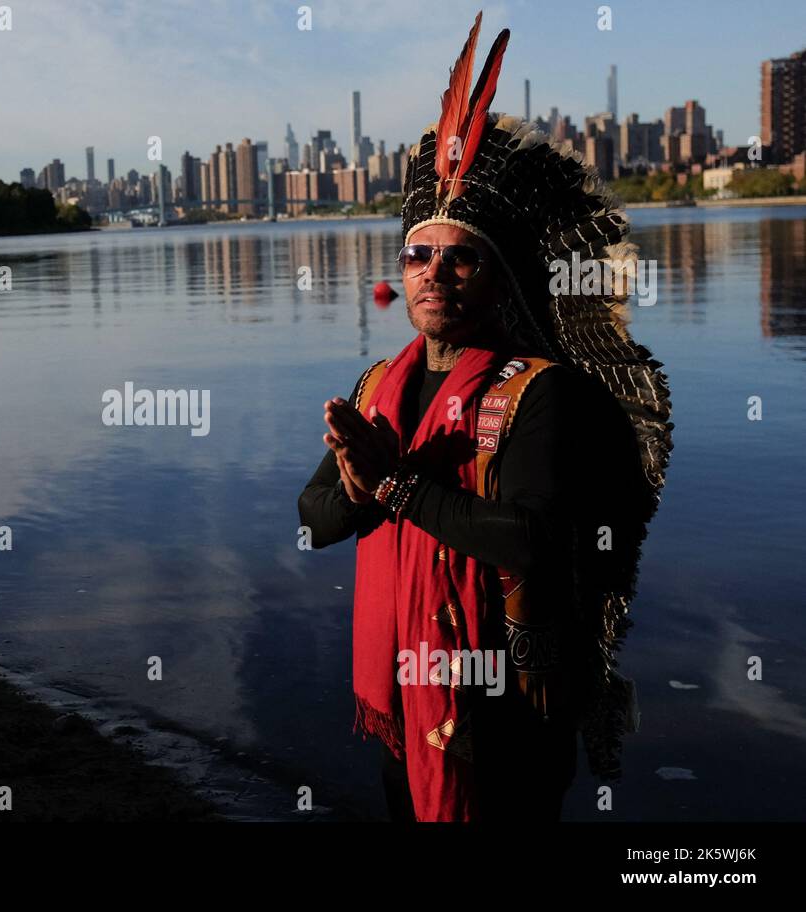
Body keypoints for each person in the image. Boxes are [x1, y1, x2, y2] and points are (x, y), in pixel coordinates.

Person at [298, 13, 672, 822]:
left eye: (460, 255)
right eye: (418, 255)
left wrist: (394, 486)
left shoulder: (541, 390)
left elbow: (532, 536)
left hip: (509, 693)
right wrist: (361, 487)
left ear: (498, 278)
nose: (435, 273)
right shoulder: (376, 387)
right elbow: (315, 517)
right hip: (405, 686)